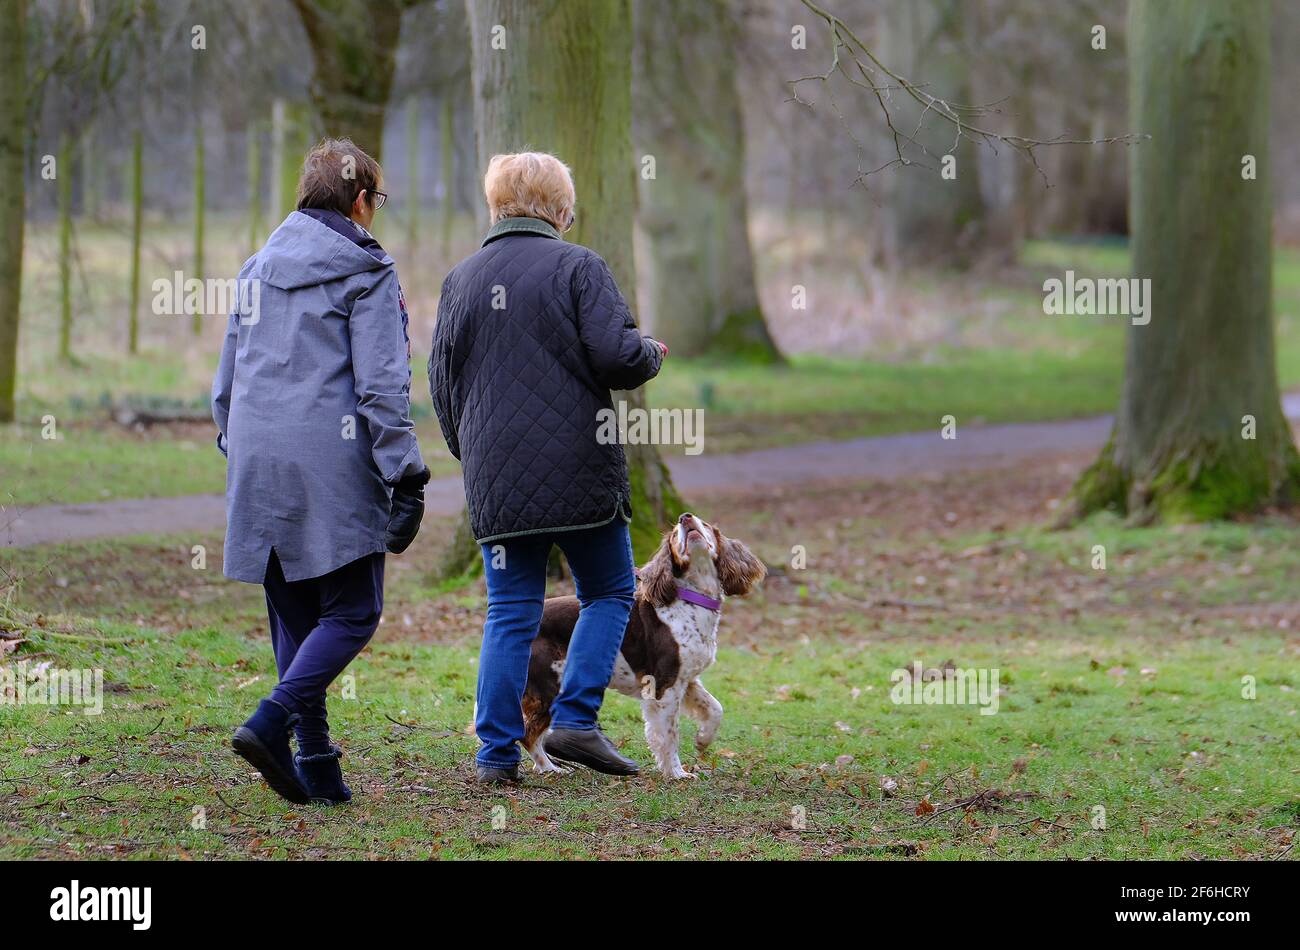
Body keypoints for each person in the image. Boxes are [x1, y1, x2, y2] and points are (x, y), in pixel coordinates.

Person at [429, 151, 667, 783]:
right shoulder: (577, 267)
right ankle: (576, 721)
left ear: (496, 206)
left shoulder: (460, 281)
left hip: (497, 478)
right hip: (579, 469)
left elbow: (441, 385)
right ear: (560, 210)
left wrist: (472, 453)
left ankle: (495, 756)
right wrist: (650, 354)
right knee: (610, 591)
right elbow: (617, 357)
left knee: (508, 611)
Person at [212, 138, 427, 805]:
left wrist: (237, 444)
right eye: (377, 200)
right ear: (360, 201)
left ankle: (317, 766)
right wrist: (406, 474)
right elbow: (382, 386)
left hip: (255, 452)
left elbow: (225, 382)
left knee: (295, 614)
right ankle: (270, 722)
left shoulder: (256, 265)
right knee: (354, 609)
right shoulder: (367, 270)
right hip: (330, 459)